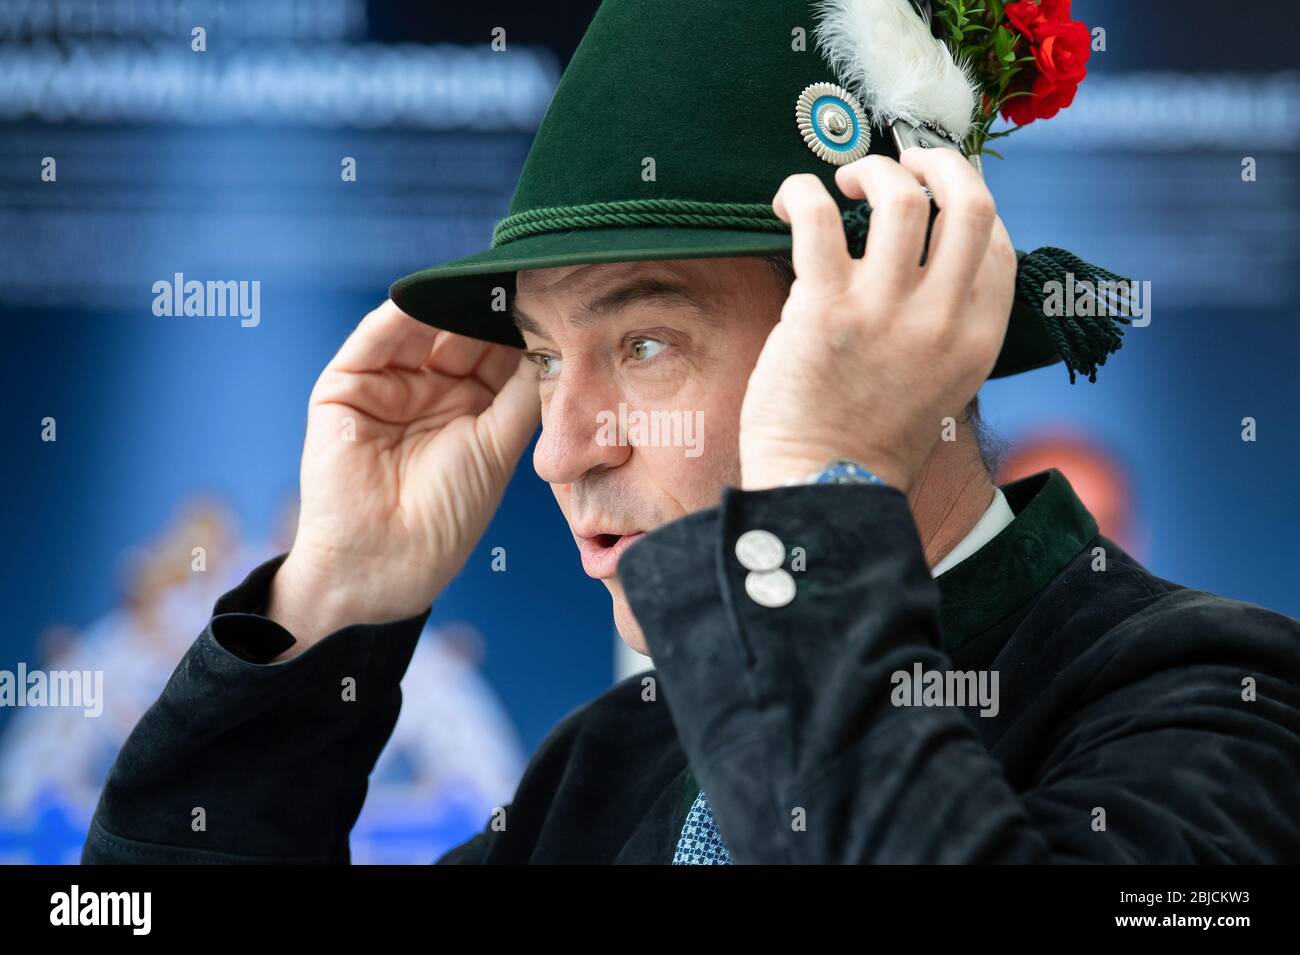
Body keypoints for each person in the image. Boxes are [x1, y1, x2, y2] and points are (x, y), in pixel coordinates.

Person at [83, 0, 1300, 864]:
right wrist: (332, 604)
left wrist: (819, 500)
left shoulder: (1217, 699)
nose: (560, 449)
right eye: (547, 358)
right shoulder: (606, 762)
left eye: (645, 342)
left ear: (895, 332)